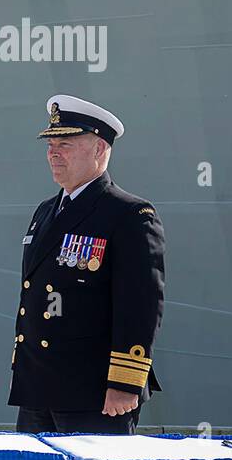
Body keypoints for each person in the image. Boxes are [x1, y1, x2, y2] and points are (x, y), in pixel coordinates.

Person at [10, 95, 165, 434]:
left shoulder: (129, 216)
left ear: (99, 150)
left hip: (93, 391)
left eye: (64, 143)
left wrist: (124, 383)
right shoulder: (45, 212)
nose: (53, 153)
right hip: (37, 386)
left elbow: (140, 306)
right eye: (51, 144)